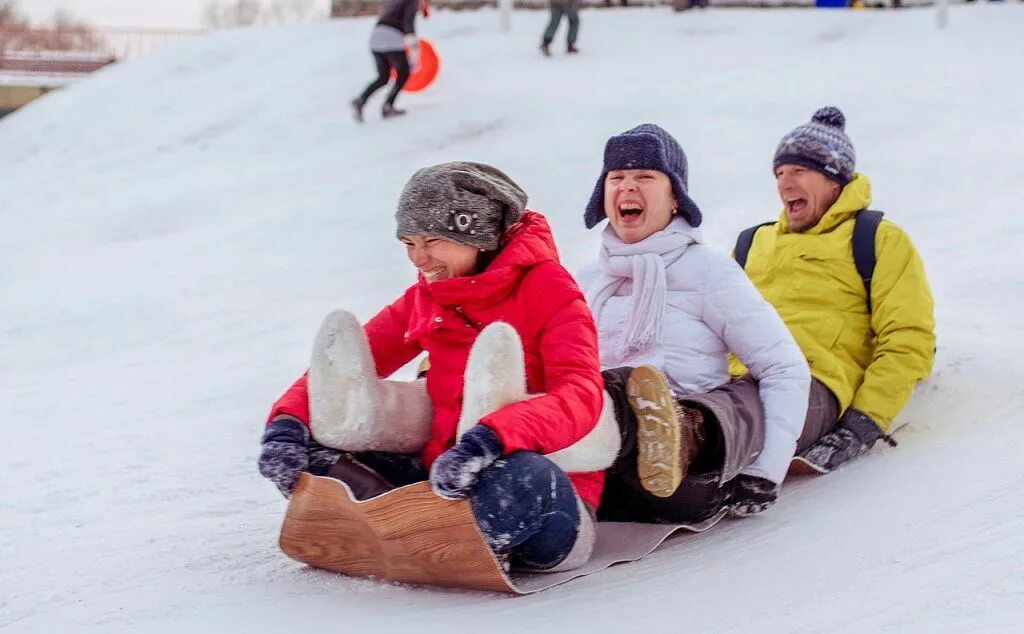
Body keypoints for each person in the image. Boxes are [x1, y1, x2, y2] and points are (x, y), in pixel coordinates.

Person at [258, 162, 616, 573]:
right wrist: (287, 422)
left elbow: (580, 395)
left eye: (432, 241)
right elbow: (342, 369)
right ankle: (401, 524)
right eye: (408, 242)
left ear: (477, 235)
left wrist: (492, 439)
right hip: (442, 481)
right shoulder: (428, 296)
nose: (418, 258)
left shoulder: (549, 289)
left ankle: (415, 527)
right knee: (313, 447)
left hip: (550, 492)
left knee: (518, 476)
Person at [577, 123, 811, 522]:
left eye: (645, 177)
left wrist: (764, 471)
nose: (627, 187)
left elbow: (782, 366)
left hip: (683, 473)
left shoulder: (706, 270)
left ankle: (659, 427)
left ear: (674, 200)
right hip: (599, 460)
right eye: (616, 178)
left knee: (612, 389)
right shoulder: (587, 280)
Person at [732, 107, 936, 473]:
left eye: (799, 171)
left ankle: (684, 435)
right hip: (729, 383)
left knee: (736, 415)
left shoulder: (877, 239)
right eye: (780, 173)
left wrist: (864, 423)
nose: (785, 183)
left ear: (834, 180)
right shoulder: (752, 243)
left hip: (809, 386)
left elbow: (908, 338)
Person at [351, 0, 429, 122]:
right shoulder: (411, 2)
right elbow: (408, 24)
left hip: (375, 39)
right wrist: (414, 55)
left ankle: (360, 100)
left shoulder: (395, 2)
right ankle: (388, 106)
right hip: (391, 38)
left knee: (383, 77)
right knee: (404, 73)